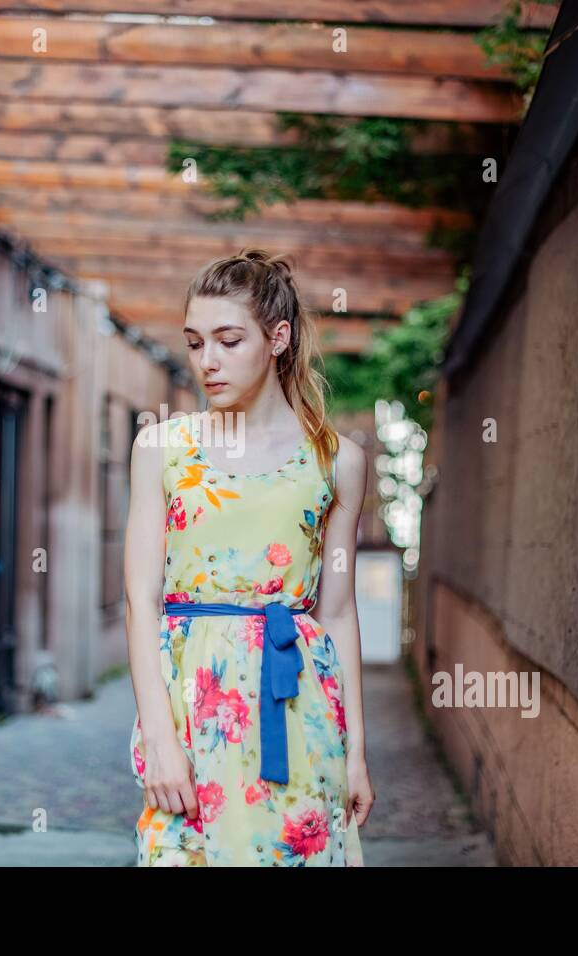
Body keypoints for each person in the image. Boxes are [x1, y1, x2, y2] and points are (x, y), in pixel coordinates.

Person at [125, 248, 374, 866]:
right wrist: (157, 733)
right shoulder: (161, 448)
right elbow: (140, 601)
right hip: (189, 713)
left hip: (299, 714)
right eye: (194, 342)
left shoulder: (337, 461)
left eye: (229, 340)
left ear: (278, 338)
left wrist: (356, 752)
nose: (207, 361)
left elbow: (338, 613)